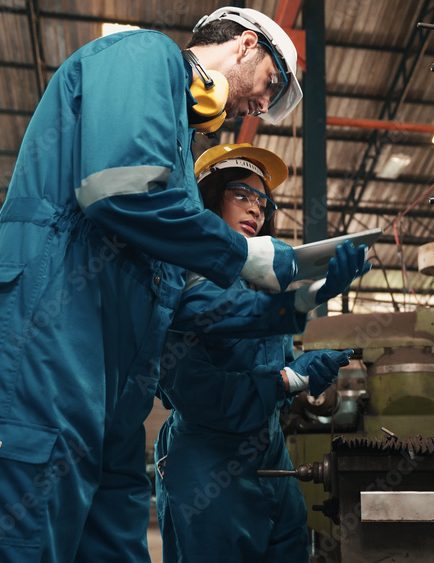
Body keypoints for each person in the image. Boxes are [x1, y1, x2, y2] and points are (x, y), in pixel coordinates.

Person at [0, 8, 305, 562]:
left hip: (113, 402)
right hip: (40, 361)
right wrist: (242, 256)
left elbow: (179, 301)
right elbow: (119, 192)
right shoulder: (145, 56)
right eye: (270, 85)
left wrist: (292, 306)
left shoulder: (181, 167)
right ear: (245, 45)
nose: (262, 107)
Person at [153, 144, 369, 562]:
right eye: (241, 195)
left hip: (272, 458)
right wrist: (287, 380)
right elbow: (199, 394)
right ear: (208, 198)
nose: (255, 209)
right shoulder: (179, 281)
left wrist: (305, 373)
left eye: (262, 202)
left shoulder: (264, 286)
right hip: (209, 467)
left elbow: (276, 367)